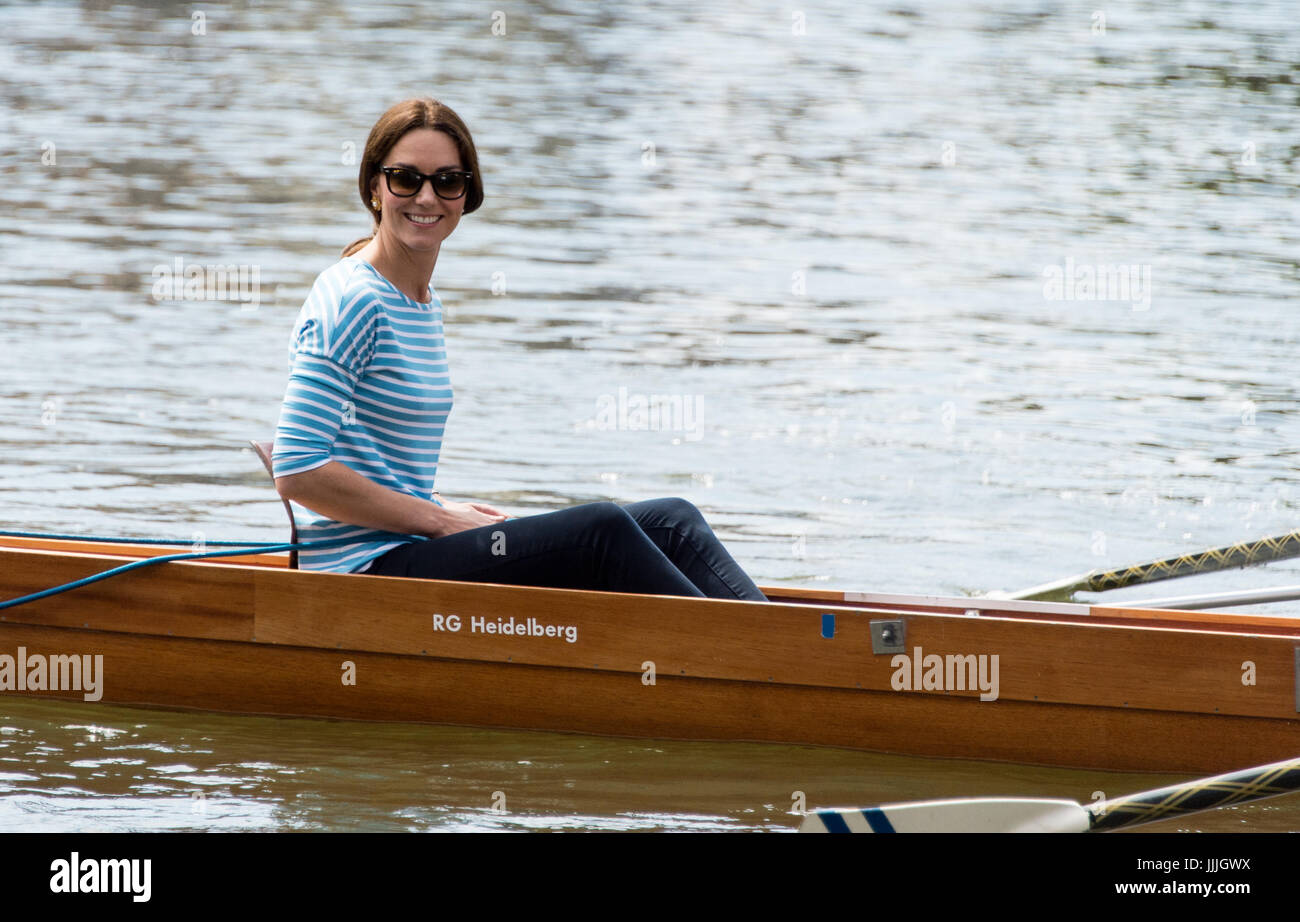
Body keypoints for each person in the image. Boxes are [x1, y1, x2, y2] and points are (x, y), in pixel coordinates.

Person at [272, 97, 765, 601]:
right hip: (362, 572)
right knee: (603, 529)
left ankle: (778, 648)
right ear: (374, 186)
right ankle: (751, 662)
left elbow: (376, 460)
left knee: (672, 520)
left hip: (409, 543)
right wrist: (440, 520)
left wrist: (444, 509)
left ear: (466, 194)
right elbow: (296, 467)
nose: (426, 197)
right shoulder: (354, 299)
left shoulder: (421, 302)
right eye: (406, 178)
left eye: (447, 181)